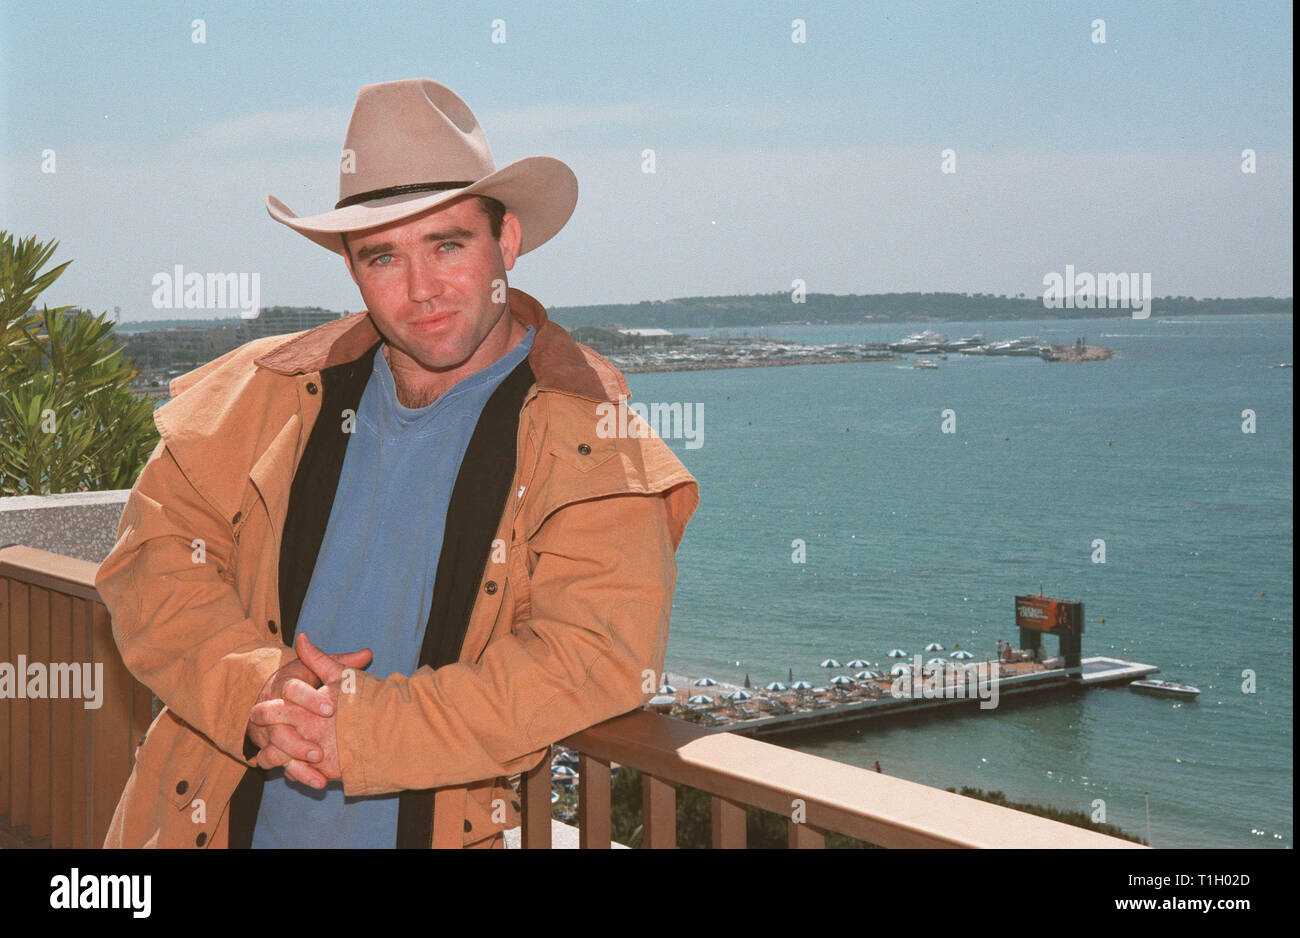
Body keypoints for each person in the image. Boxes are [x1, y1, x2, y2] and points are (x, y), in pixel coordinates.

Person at [94, 79, 700, 848]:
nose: (421, 290)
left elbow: (595, 654)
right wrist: (257, 685)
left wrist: (365, 733)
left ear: (505, 243)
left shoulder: (589, 427)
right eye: (384, 256)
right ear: (352, 268)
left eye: (448, 244)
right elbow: (152, 561)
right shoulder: (262, 391)